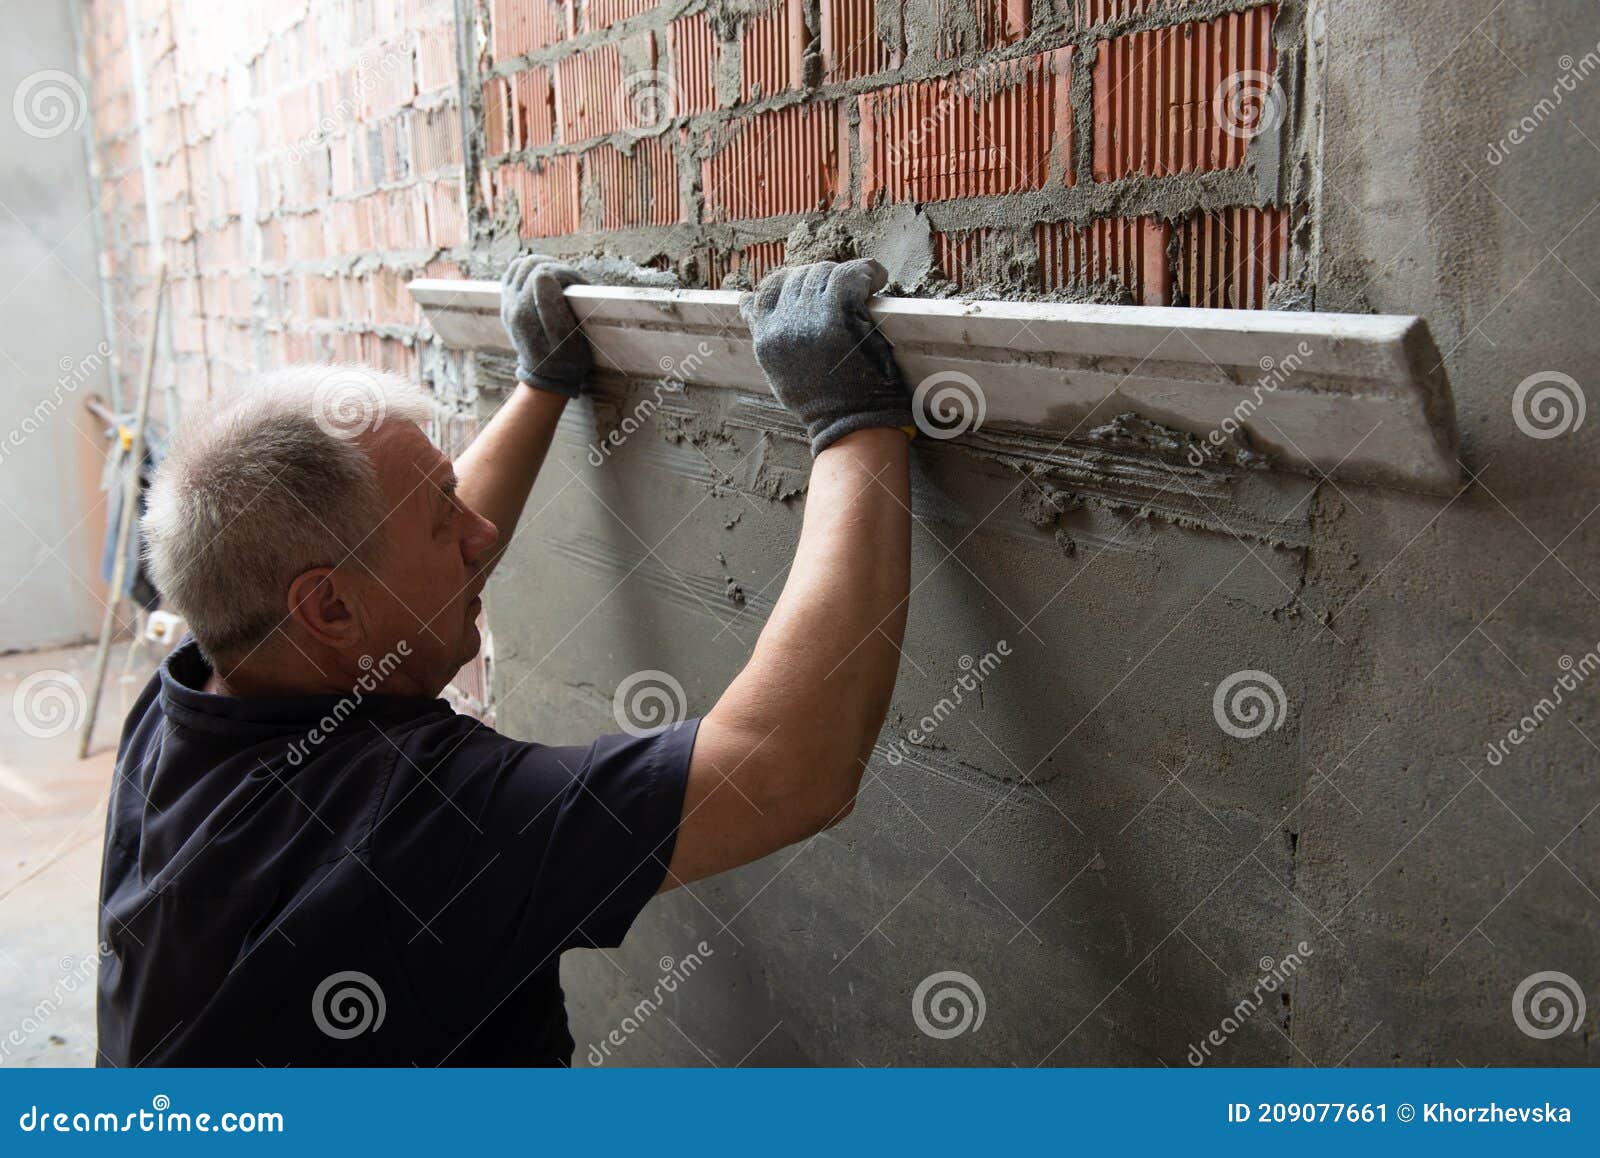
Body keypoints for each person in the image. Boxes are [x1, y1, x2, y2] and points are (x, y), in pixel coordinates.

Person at [95, 256, 915, 1065]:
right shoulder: (417, 823)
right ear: (330, 607)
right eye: (442, 517)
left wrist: (541, 384)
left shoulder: (194, 695)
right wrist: (852, 423)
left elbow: (392, 580)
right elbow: (784, 770)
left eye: (454, 497)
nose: (478, 539)